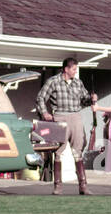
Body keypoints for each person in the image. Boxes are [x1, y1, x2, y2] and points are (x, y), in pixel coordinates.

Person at [36, 56, 93, 195]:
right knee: (58, 152)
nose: (75, 71)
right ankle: (58, 186)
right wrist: (44, 113)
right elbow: (41, 98)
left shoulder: (78, 83)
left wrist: (91, 99)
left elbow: (84, 101)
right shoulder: (53, 81)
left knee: (77, 151)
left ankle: (83, 186)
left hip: (76, 117)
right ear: (66, 69)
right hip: (60, 117)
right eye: (74, 69)